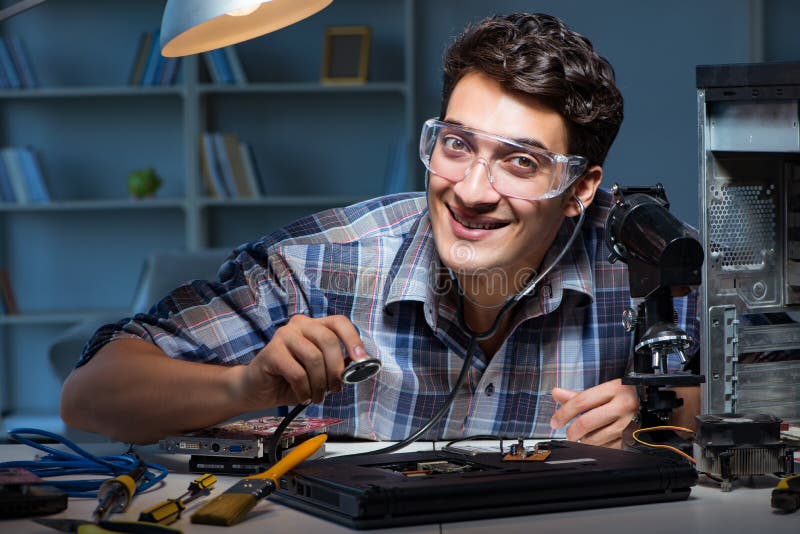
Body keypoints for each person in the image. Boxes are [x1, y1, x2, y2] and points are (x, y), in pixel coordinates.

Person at [60, 12, 700, 448]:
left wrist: (678, 418)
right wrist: (244, 384)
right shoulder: (318, 262)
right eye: (456, 145)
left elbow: (774, 390)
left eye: (521, 162)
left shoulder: (650, 260)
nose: (473, 191)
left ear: (580, 191)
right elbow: (89, 397)